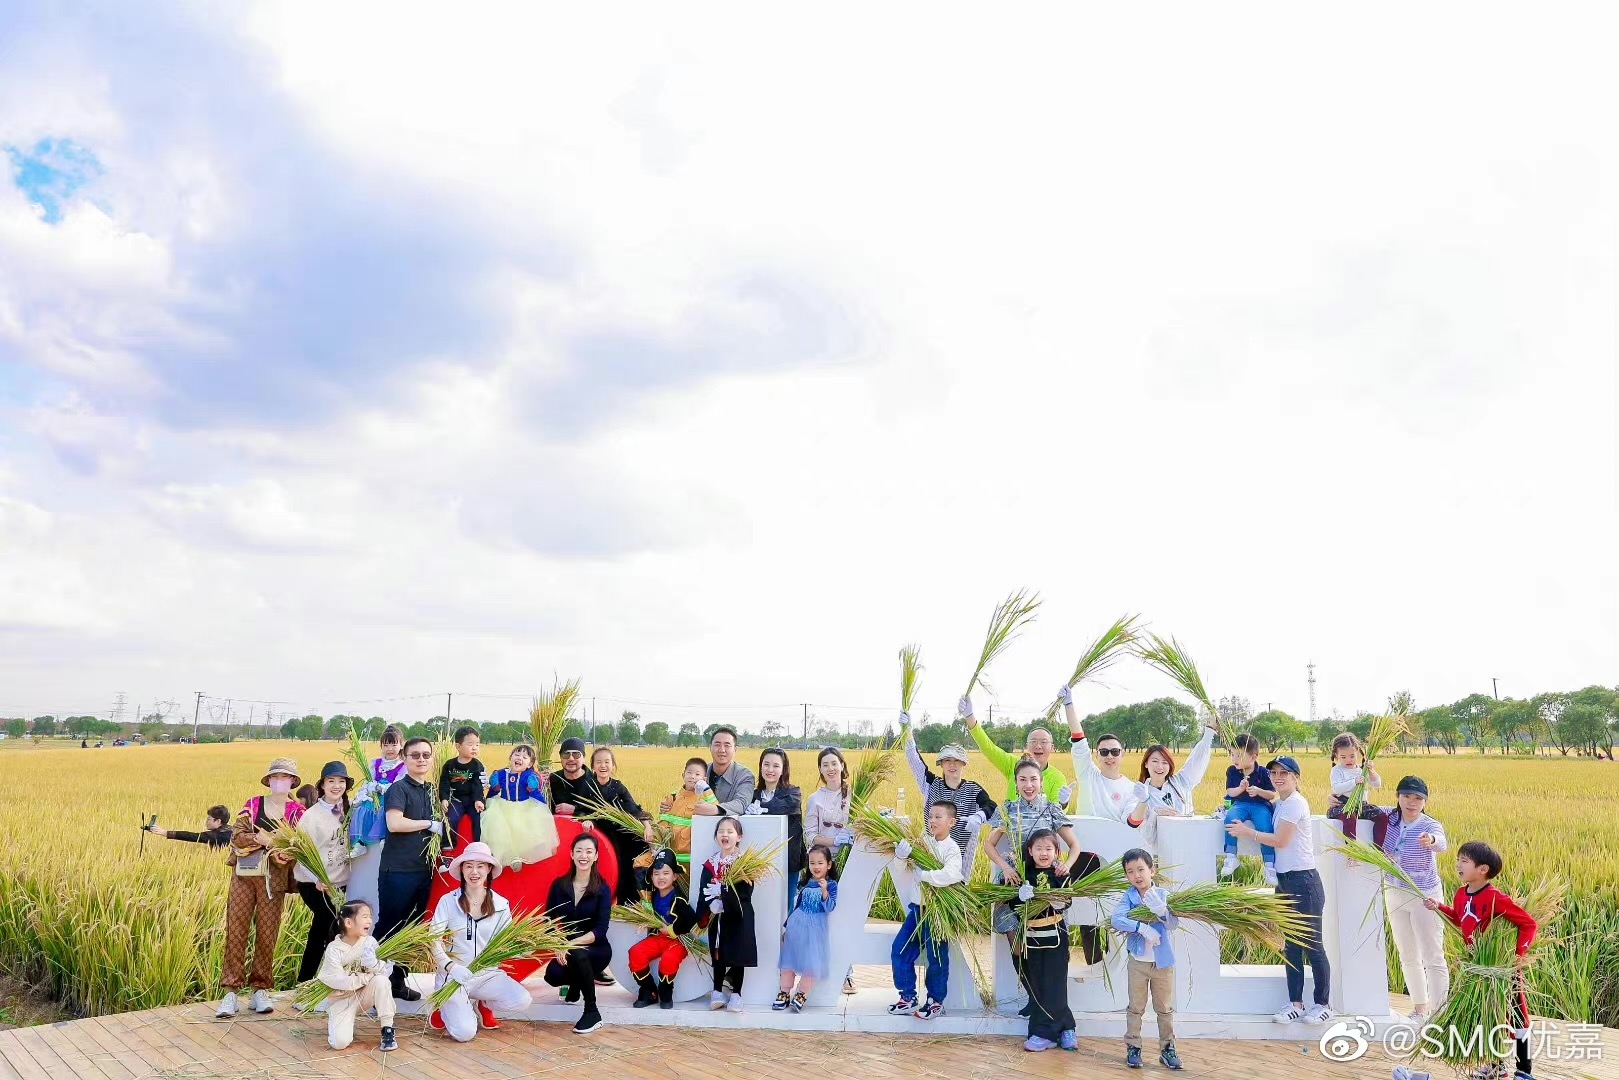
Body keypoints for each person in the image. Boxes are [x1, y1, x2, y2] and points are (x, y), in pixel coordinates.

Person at [1226, 755, 1331, 1025]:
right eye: (1274, 772)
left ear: (1296, 777)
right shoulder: (1280, 802)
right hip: (1285, 881)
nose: (1278, 777)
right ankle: (1295, 1002)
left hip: (1304, 881)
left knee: (1312, 944)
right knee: (1290, 945)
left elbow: (1281, 841)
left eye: (1285, 773)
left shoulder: (1295, 803)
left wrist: (1247, 833)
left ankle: (1323, 1004)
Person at [1425, 841, 1537, 1080]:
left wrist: (1517, 957)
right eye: (1459, 859)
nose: (1458, 864)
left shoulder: (1495, 898)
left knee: (1517, 1015)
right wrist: (1439, 907)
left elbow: (1528, 924)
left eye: (1464, 861)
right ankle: (1497, 1067)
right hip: (1477, 966)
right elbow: (1461, 919)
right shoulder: (1461, 894)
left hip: (1501, 969)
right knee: (1488, 1014)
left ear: (1483, 869)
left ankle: (1524, 1070)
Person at [216, 758, 304, 1018]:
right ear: (269, 780)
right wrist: (262, 839)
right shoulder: (253, 804)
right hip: (245, 874)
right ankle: (230, 992)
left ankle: (260, 989)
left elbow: (296, 846)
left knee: (267, 932)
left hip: (274, 878)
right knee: (236, 928)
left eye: (285, 777)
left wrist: (273, 843)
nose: (280, 781)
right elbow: (237, 836)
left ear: (292, 782)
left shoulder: (297, 812)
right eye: (275, 776)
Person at [981, 758, 1090, 969]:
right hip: (1017, 879)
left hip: (1047, 881)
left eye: (1033, 779)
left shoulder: (1051, 809)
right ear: (1016, 782)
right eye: (1022, 780)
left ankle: (1051, 989)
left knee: (1055, 934)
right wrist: (1005, 866)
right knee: (1012, 929)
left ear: (1041, 781)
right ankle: (1028, 981)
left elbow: (1074, 845)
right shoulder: (1009, 810)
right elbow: (989, 844)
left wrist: (1065, 865)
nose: (1028, 785)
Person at [428, 842, 534, 1041]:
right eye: (469, 866)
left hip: (487, 974)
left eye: (480, 866)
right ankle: (445, 1005)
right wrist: (450, 967)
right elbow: (433, 940)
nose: (474, 872)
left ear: (489, 870)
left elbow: (507, 942)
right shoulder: (448, 901)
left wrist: (525, 948)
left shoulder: (501, 904)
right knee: (464, 1033)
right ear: (461, 870)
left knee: (522, 1000)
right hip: (454, 977)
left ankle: (484, 1003)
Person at [1377, 775, 1448, 1024]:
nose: (1412, 802)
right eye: (1407, 796)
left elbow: (1442, 843)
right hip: (1393, 893)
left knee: (1433, 955)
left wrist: (1432, 842)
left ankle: (1440, 1013)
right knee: (1407, 953)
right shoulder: (1388, 817)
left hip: (1423, 896)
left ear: (1425, 802)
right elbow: (1361, 811)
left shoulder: (1429, 825)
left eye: (1418, 798)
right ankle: (1420, 1009)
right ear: (1398, 797)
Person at [886, 800, 964, 1020]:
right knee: (899, 949)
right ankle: (907, 997)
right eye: (930, 816)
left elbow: (951, 874)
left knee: (937, 957)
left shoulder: (952, 848)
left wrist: (926, 876)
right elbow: (903, 869)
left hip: (938, 912)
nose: (932, 821)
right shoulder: (922, 843)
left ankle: (935, 1001)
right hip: (918, 909)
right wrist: (901, 856)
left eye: (938, 817)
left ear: (951, 822)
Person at [379, 736, 442, 1002]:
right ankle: (377, 984)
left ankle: (398, 981)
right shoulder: (398, 789)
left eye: (426, 755)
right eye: (415, 755)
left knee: (412, 928)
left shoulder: (431, 790)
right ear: (405, 758)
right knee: (390, 927)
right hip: (398, 871)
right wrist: (428, 823)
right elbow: (394, 823)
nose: (421, 760)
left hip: (424, 871)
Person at [1111, 848, 1183, 1070]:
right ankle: (1134, 1047)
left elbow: (1173, 924)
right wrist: (1141, 928)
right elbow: (1116, 919)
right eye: (1130, 872)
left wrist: (1162, 912)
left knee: (1164, 1008)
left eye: (1141, 869)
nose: (1137, 875)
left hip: (1162, 963)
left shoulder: (1163, 895)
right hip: (1138, 963)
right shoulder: (1129, 897)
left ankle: (1168, 1049)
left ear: (1152, 870)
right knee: (1136, 1007)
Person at [1012, 828, 1078, 1053]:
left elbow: (1067, 902)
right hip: (1031, 937)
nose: (1043, 853)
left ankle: (1053, 1032)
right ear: (1029, 851)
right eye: (1038, 848)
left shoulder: (1061, 874)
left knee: (1056, 984)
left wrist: (1053, 898)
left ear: (1056, 851)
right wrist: (1021, 898)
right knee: (1038, 985)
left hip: (1056, 935)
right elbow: (1013, 905)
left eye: (1048, 849)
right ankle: (1059, 1030)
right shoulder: (1022, 874)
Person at [901, 721, 996, 871]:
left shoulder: (973, 790)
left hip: (959, 859)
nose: (952, 765)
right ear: (941, 764)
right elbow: (915, 761)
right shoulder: (931, 784)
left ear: (963, 763)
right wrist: (907, 731)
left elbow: (991, 806)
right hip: (930, 855)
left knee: (956, 888)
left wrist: (979, 816)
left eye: (957, 761)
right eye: (948, 761)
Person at [544, 832, 614, 1033]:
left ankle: (592, 1012)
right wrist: (559, 944)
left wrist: (569, 945)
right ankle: (576, 983)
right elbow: (548, 921)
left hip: (596, 949)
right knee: (553, 975)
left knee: (579, 953)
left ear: (596, 856)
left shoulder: (602, 888)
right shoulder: (559, 885)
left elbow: (600, 930)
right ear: (571, 854)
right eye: (579, 851)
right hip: (567, 949)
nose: (584, 856)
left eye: (589, 851)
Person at [802, 746, 857, 994]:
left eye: (834, 763)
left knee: (844, 917)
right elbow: (811, 836)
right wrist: (836, 841)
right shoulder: (815, 799)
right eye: (825, 764)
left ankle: (847, 974)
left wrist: (852, 835)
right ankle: (818, 972)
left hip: (850, 863)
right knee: (822, 918)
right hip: (824, 866)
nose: (831, 768)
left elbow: (863, 825)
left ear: (842, 765)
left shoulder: (855, 795)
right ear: (820, 770)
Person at [294, 762, 354, 986]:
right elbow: (300, 852)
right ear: (322, 786)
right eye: (331, 781)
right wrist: (316, 877)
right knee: (325, 925)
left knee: (332, 930)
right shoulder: (311, 816)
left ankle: (321, 982)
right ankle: (307, 983)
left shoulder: (350, 810)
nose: (336, 786)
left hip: (341, 882)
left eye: (341, 782)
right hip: (313, 883)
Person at [317, 900, 398, 1053]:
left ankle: (387, 1029)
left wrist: (374, 964)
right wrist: (367, 976)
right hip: (341, 999)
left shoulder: (370, 942)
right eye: (365, 916)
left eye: (370, 917)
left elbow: (384, 972)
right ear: (348, 922)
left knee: (381, 981)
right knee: (339, 1043)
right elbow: (338, 979)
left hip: (363, 995)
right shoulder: (334, 949)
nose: (370, 921)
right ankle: (344, 1023)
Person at [1128, 716, 1219, 851]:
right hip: (1160, 855)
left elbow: (1197, 759)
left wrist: (1210, 730)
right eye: (1155, 761)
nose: (1160, 767)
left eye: (1165, 762)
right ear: (1146, 764)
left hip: (1189, 845)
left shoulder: (1181, 782)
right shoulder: (1140, 793)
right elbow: (1138, 829)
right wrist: (1154, 814)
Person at [961, 694, 1071, 804]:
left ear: (1052, 747)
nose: (1038, 746)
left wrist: (1063, 803)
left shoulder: (1057, 778)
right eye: (1033, 741)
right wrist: (970, 717)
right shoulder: (1013, 764)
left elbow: (1057, 813)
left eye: (1043, 742)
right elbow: (989, 748)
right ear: (1027, 746)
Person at [699, 816, 758, 1012]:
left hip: (738, 915)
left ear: (739, 837)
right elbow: (703, 889)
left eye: (730, 831)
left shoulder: (745, 863)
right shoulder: (710, 864)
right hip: (718, 917)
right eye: (721, 831)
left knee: (737, 953)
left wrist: (726, 900)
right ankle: (716, 991)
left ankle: (736, 994)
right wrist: (710, 904)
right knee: (718, 952)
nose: (725, 835)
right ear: (716, 837)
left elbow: (746, 892)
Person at [581, 746, 654, 904]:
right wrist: (587, 820)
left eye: (607, 762)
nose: (603, 765)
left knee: (627, 870)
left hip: (622, 837)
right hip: (601, 837)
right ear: (593, 766)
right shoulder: (588, 787)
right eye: (599, 762)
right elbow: (582, 811)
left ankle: (627, 906)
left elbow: (634, 809)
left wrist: (647, 826)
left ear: (613, 766)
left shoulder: (618, 786)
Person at [628, 848, 698, 1009]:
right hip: (657, 938)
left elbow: (690, 920)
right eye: (656, 874)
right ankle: (648, 990)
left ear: (675, 876)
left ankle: (665, 990)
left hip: (678, 940)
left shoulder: (679, 898)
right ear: (651, 876)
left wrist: (671, 930)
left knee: (669, 959)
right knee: (636, 953)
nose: (661, 877)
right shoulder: (651, 896)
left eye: (666, 873)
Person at [1060, 691, 1140, 824]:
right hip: (1084, 841)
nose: (1109, 756)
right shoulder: (1088, 774)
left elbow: (1130, 823)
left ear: (1122, 754)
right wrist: (1068, 704)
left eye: (1114, 751)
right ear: (1096, 755)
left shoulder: (1132, 789)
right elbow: (1079, 741)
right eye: (1104, 752)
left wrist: (1144, 802)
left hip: (1116, 842)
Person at [776, 844, 838, 1012]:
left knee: (812, 962)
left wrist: (824, 890)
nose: (816, 867)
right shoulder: (805, 883)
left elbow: (830, 907)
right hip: (797, 924)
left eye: (820, 863)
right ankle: (784, 992)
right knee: (789, 958)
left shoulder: (831, 885)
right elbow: (797, 905)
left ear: (829, 865)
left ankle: (801, 993)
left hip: (815, 929)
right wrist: (787, 926)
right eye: (812, 863)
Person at [481, 743, 559, 870]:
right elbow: (493, 792)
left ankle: (518, 858)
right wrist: (486, 803)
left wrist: (545, 809)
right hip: (502, 806)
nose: (520, 758)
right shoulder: (500, 774)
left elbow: (536, 794)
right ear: (511, 758)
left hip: (523, 807)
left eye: (525, 757)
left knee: (522, 831)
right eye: (517, 754)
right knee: (499, 829)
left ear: (529, 764)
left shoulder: (529, 777)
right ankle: (502, 857)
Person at [745, 748, 803, 903]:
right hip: (760, 862)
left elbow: (783, 807)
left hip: (788, 860)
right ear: (760, 766)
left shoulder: (793, 793)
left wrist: (761, 809)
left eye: (776, 766)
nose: (770, 770)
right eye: (766, 764)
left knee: (786, 904)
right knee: (764, 904)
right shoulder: (752, 795)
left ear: (783, 769)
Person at [1220, 734, 1278, 885]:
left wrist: (1258, 791)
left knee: (1265, 827)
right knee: (1230, 819)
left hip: (1260, 806)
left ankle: (1269, 865)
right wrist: (1240, 789)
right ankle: (1231, 857)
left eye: (1239, 755)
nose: (1234, 759)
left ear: (1253, 757)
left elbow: (1272, 794)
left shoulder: (1264, 772)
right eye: (1232, 755)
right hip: (1240, 805)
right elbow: (1230, 792)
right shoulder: (1232, 771)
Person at [645, 758, 717, 869]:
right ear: (683, 775)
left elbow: (717, 811)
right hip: (671, 857)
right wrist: (656, 843)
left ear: (704, 779)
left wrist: (707, 790)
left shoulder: (705, 799)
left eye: (697, 774)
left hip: (692, 858)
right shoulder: (673, 797)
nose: (692, 776)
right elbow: (663, 822)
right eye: (689, 773)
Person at [349, 725, 406, 858]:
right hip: (373, 794)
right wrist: (362, 794)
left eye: (393, 745)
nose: (390, 749)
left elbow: (399, 784)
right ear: (381, 746)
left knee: (384, 810)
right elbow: (368, 781)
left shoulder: (403, 765)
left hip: (392, 796)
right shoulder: (376, 763)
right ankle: (360, 843)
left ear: (401, 745)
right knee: (361, 810)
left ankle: (384, 839)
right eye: (386, 745)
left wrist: (383, 788)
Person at [1328, 732, 1387, 846]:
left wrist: (1371, 771)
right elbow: (1336, 789)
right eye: (1343, 757)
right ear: (1336, 755)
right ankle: (1352, 850)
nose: (1348, 760)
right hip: (1344, 805)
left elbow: (1377, 784)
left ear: (1358, 753)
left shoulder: (1362, 770)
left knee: (1382, 817)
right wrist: (1354, 781)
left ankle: (1378, 848)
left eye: (1352, 756)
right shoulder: (1337, 770)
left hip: (1362, 806)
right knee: (1349, 817)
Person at [439, 726, 486, 845]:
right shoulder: (449, 765)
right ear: (458, 746)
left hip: (472, 800)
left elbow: (477, 785)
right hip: (456, 800)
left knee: (479, 819)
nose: (474, 747)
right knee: (451, 818)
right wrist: (444, 798)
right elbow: (444, 783)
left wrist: (478, 800)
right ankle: (448, 845)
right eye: (470, 744)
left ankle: (478, 845)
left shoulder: (477, 765)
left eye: (477, 744)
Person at [148, 805, 232, 847]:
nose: (206, 822)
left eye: (208, 819)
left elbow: (192, 836)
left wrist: (165, 832)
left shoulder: (217, 835)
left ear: (218, 821)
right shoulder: (231, 829)